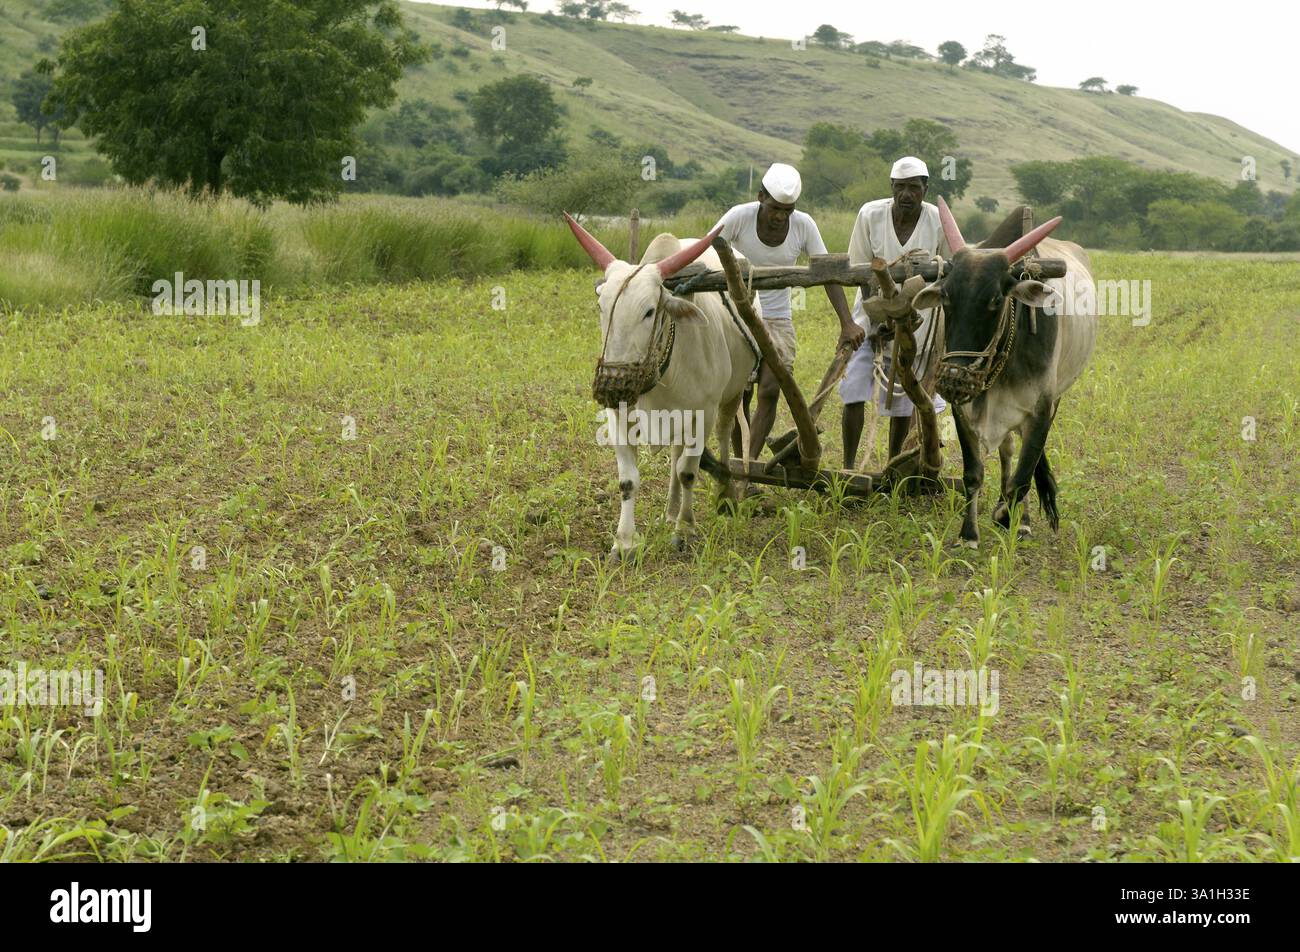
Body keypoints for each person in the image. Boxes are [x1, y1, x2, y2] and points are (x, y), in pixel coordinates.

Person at [714, 163, 864, 460]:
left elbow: (827, 272)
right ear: (760, 198)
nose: (780, 216)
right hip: (738, 319)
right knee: (739, 397)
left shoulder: (803, 225)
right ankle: (739, 462)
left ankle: (748, 465)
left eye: (787, 210)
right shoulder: (738, 218)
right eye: (774, 208)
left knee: (770, 390)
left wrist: (847, 322)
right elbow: (707, 249)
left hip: (777, 320)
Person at [839, 156, 948, 469]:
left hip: (919, 325)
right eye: (900, 187)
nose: (906, 194)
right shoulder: (870, 214)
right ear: (892, 188)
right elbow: (858, 269)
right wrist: (875, 317)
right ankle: (848, 467)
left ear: (925, 189)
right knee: (854, 391)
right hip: (870, 321)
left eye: (913, 188)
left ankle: (893, 466)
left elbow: (950, 268)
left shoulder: (938, 220)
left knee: (903, 398)